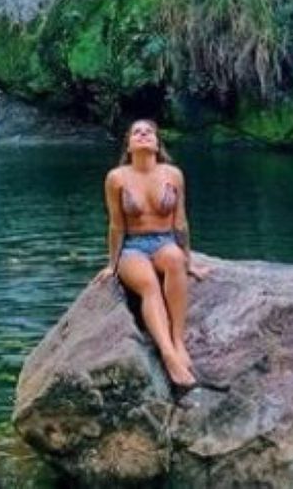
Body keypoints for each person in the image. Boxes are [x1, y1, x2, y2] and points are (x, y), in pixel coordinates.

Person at [99, 119, 212, 390]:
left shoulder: (173, 174)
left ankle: (178, 341)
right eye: (136, 132)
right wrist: (112, 264)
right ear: (128, 145)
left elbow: (180, 221)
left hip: (164, 241)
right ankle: (168, 354)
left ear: (157, 143)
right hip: (132, 246)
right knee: (149, 284)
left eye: (149, 132)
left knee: (175, 260)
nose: (143, 135)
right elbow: (116, 225)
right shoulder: (116, 178)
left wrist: (189, 261)